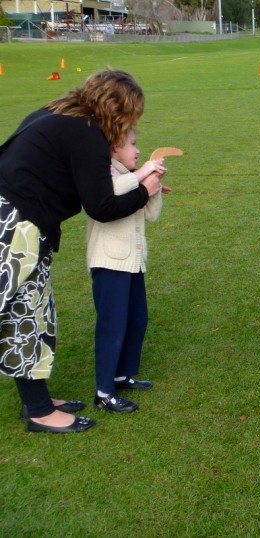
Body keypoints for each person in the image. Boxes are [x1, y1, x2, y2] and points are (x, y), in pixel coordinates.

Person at [0, 69, 162, 433]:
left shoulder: (60, 112)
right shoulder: (86, 131)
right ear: (118, 109)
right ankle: (40, 413)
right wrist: (144, 190)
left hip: (17, 218)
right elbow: (101, 206)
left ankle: (37, 403)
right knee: (25, 313)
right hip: (13, 223)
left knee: (29, 312)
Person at [86, 128, 166, 414]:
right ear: (113, 147)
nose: (138, 150)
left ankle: (122, 374)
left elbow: (151, 215)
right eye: (132, 144)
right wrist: (143, 174)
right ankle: (104, 392)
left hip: (133, 263)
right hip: (109, 264)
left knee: (137, 319)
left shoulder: (132, 179)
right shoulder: (105, 175)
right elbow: (111, 192)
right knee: (113, 325)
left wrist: (152, 190)